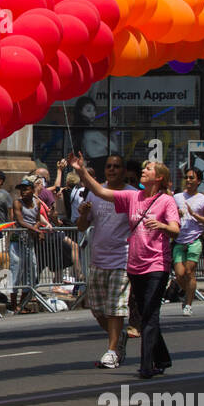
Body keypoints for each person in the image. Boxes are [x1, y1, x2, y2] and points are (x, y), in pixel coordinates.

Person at [70, 155, 180, 379]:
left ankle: (146, 364)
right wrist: (81, 171)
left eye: (148, 168)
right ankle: (163, 357)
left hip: (156, 264)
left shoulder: (166, 201)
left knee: (149, 314)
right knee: (144, 314)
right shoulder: (133, 197)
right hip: (135, 265)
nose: (143, 170)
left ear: (158, 177)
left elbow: (175, 230)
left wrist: (160, 225)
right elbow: (101, 192)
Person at [75, 153, 132, 368]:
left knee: (115, 308)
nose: (112, 170)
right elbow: (82, 226)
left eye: (117, 166)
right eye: (109, 166)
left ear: (123, 170)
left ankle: (112, 351)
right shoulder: (95, 194)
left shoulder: (132, 194)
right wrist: (82, 214)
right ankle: (119, 338)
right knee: (97, 309)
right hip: (98, 258)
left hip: (122, 259)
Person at [173, 168, 204, 316]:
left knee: (189, 272)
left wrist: (194, 215)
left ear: (199, 181)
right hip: (179, 239)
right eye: (187, 177)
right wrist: (175, 214)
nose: (188, 180)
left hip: (195, 239)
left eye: (192, 178)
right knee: (179, 274)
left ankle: (188, 304)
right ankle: (189, 292)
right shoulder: (176, 197)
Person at [9, 178, 47, 313]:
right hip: (17, 241)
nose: (23, 192)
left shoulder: (37, 202)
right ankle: (13, 305)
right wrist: (37, 230)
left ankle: (22, 303)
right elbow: (19, 221)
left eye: (26, 189)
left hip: (29, 241)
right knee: (16, 271)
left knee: (31, 270)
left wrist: (37, 227)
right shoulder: (17, 203)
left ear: (32, 190)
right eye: (21, 190)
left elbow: (37, 220)